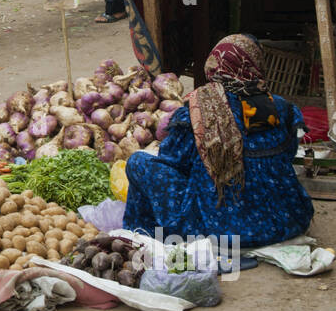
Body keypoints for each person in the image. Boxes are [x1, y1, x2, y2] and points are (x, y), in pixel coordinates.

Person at [123, 35, 314, 249]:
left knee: (138, 162)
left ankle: (141, 235)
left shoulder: (198, 112)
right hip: (287, 221)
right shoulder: (281, 107)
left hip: (221, 229)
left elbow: (173, 160)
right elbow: (288, 155)